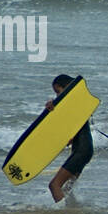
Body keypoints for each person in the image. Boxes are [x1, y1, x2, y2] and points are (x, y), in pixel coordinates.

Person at [45, 74, 93, 202]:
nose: (57, 96)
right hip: (85, 150)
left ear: (67, 88)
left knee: (54, 185)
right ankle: (74, 212)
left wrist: (54, 107)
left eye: (58, 92)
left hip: (81, 151)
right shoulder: (76, 103)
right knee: (66, 189)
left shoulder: (74, 103)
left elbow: (69, 121)